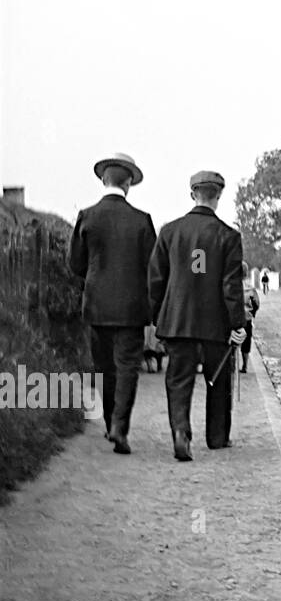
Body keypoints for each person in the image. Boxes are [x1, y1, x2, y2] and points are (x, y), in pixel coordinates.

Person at [149, 171, 246, 461]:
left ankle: (181, 433)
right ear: (218, 197)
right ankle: (217, 438)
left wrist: (158, 317)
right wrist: (238, 324)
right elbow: (231, 285)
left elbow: (155, 280)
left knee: (179, 380)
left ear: (193, 195)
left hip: (177, 322)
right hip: (215, 324)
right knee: (217, 381)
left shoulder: (169, 232)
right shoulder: (229, 236)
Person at [67, 152, 156, 455]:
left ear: (103, 180)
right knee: (128, 367)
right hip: (132, 310)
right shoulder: (142, 221)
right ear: (129, 183)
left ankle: (108, 424)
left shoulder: (87, 216)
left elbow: (75, 264)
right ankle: (120, 426)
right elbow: (152, 269)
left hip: (97, 307)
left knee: (104, 368)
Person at [241, 262, 260, 373]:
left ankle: (231, 364)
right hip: (246, 318)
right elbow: (256, 304)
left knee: (232, 342)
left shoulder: (230, 286)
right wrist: (252, 313)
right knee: (246, 342)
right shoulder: (250, 289)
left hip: (232, 319)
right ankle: (245, 365)